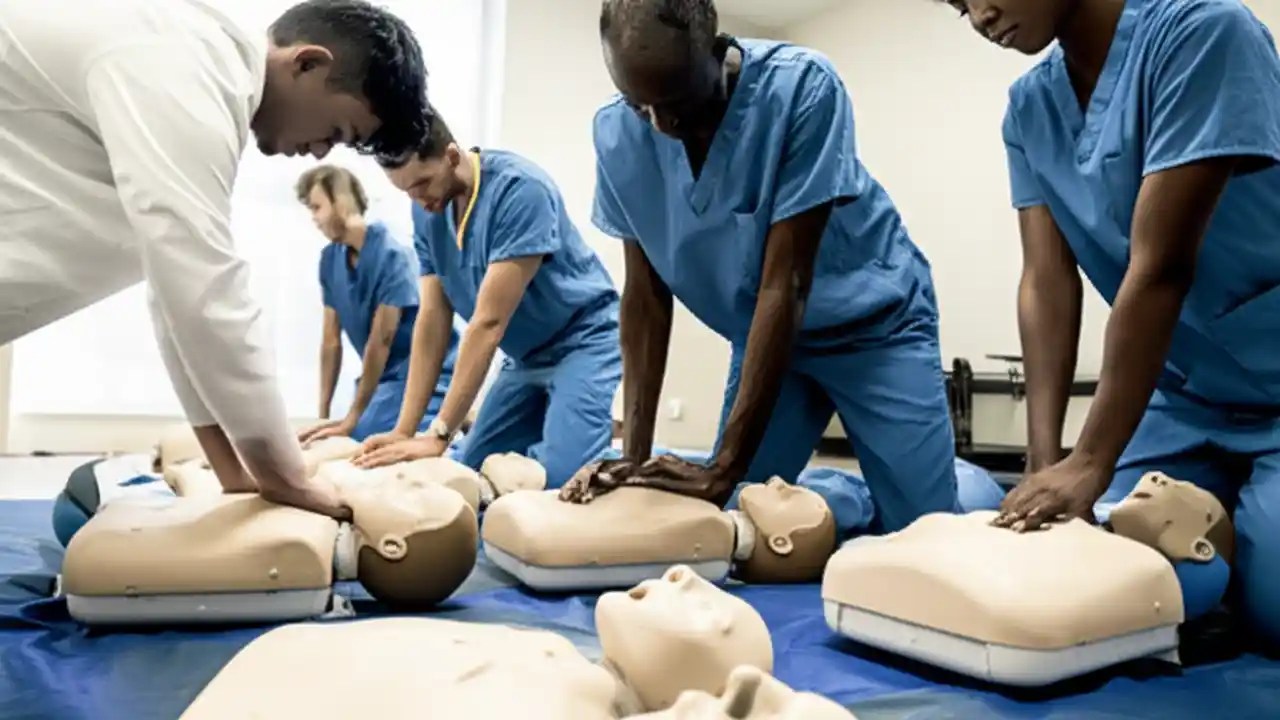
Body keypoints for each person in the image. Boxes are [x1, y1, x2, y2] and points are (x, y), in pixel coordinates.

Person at [0, 0, 431, 518]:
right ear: (308, 64)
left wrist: (233, 468)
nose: (321, 154)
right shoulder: (183, 69)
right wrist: (284, 477)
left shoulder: (198, 72)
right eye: (337, 132)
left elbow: (174, 291)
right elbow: (204, 289)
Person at [941, 0, 1280, 644]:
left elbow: (1163, 265)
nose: (980, 16)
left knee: (1273, 608)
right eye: (960, 8)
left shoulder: (1205, 32)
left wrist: (1093, 459)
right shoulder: (1029, 109)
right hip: (1183, 397)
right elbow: (1046, 281)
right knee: (1097, 559)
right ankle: (1229, 538)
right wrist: (1046, 460)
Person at [583, 0, 958, 532]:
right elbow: (644, 297)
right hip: (769, 340)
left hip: (875, 329)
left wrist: (726, 466)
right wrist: (634, 457)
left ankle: (922, 482)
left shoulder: (801, 87)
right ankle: (834, 496)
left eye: (679, 101)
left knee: (927, 532)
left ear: (714, 50)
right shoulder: (617, 135)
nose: (662, 124)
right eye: (639, 104)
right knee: (737, 526)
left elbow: (787, 283)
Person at [353, 112, 622, 489]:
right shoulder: (426, 210)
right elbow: (432, 320)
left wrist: (440, 432)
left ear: (451, 156)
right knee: (469, 468)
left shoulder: (521, 190)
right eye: (407, 191)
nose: (419, 199)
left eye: (423, 183)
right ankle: (577, 429)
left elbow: (488, 324)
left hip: (583, 341)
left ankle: (633, 456)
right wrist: (405, 431)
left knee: (565, 480)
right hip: (525, 355)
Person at [293, 165, 460, 444]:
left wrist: (352, 419)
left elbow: (381, 341)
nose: (314, 219)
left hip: (422, 376)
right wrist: (322, 416)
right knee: (332, 433)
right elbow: (331, 342)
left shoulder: (392, 254)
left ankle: (453, 419)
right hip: (384, 380)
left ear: (342, 201)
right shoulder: (330, 259)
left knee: (365, 434)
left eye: (317, 208)